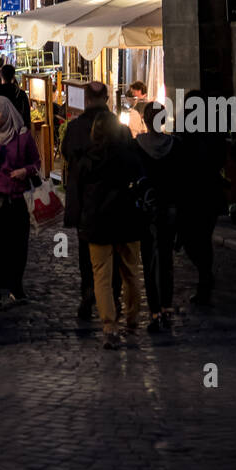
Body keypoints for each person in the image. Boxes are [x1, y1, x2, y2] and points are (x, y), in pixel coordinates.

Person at [75, 110, 144, 349]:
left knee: (102, 277)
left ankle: (109, 326)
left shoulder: (88, 159)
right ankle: (133, 319)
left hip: (98, 222)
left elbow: (78, 192)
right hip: (127, 219)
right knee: (131, 273)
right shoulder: (131, 157)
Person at [62, 81, 120, 321]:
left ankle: (88, 292)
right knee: (113, 250)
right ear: (106, 98)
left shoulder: (75, 128)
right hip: (114, 200)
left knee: (86, 252)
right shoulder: (118, 126)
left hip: (84, 200)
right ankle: (113, 295)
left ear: (85, 100)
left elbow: (66, 153)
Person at [0, 95, 40, 308]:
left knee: (17, 245)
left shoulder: (23, 136)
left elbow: (36, 163)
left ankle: (15, 287)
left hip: (16, 198)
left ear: (7, 111)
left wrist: (25, 171)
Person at [136, 102, 187, 333]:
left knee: (149, 261)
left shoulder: (136, 147)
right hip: (170, 208)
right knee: (166, 260)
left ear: (145, 121)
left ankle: (155, 311)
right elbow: (182, 182)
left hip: (146, 211)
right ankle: (166, 308)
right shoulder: (175, 146)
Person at [178, 89, 227, 306]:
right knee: (200, 238)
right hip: (207, 191)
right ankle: (205, 276)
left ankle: (205, 279)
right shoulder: (212, 130)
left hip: (193, 192)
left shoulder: (187, 130)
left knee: (193, 239)